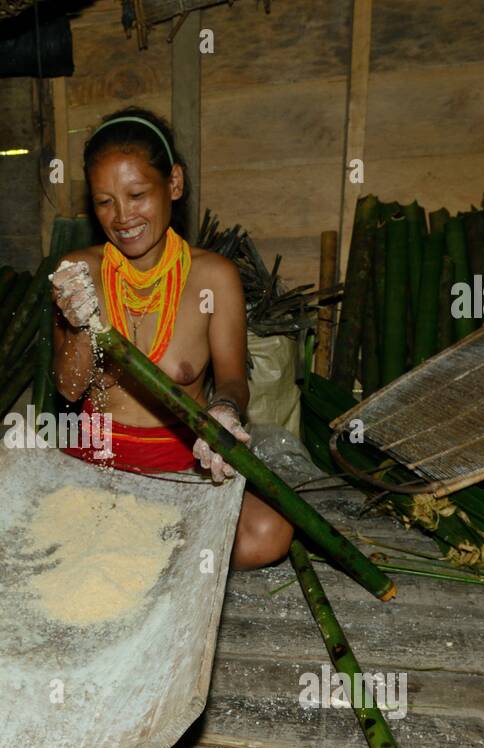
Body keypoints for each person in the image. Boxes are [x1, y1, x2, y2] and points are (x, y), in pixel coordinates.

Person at [50, 108, 294, 570]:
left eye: (137, 194)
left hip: (183, 468)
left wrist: (223, 410)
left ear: (174, 184)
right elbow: (67, 388)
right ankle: (152, 555)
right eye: (104, 202)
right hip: (95, 465)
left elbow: (233, 380)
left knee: (269, 533)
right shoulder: (78, 271)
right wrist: (81, 325)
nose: (122, 217)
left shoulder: (214, 277)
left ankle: (135, 552)